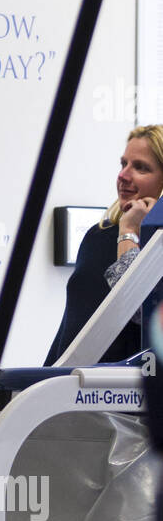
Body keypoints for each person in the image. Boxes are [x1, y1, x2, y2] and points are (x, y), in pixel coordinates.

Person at [45, 126, 163, 365]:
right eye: (123, 164)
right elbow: (72, 328)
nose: (124, 176)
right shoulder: (98, 236)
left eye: (140, 167)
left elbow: (137, 310)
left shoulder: (153, 242)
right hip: (73, 387)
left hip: (125, 393)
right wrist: (46, 376)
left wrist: (129, 232)